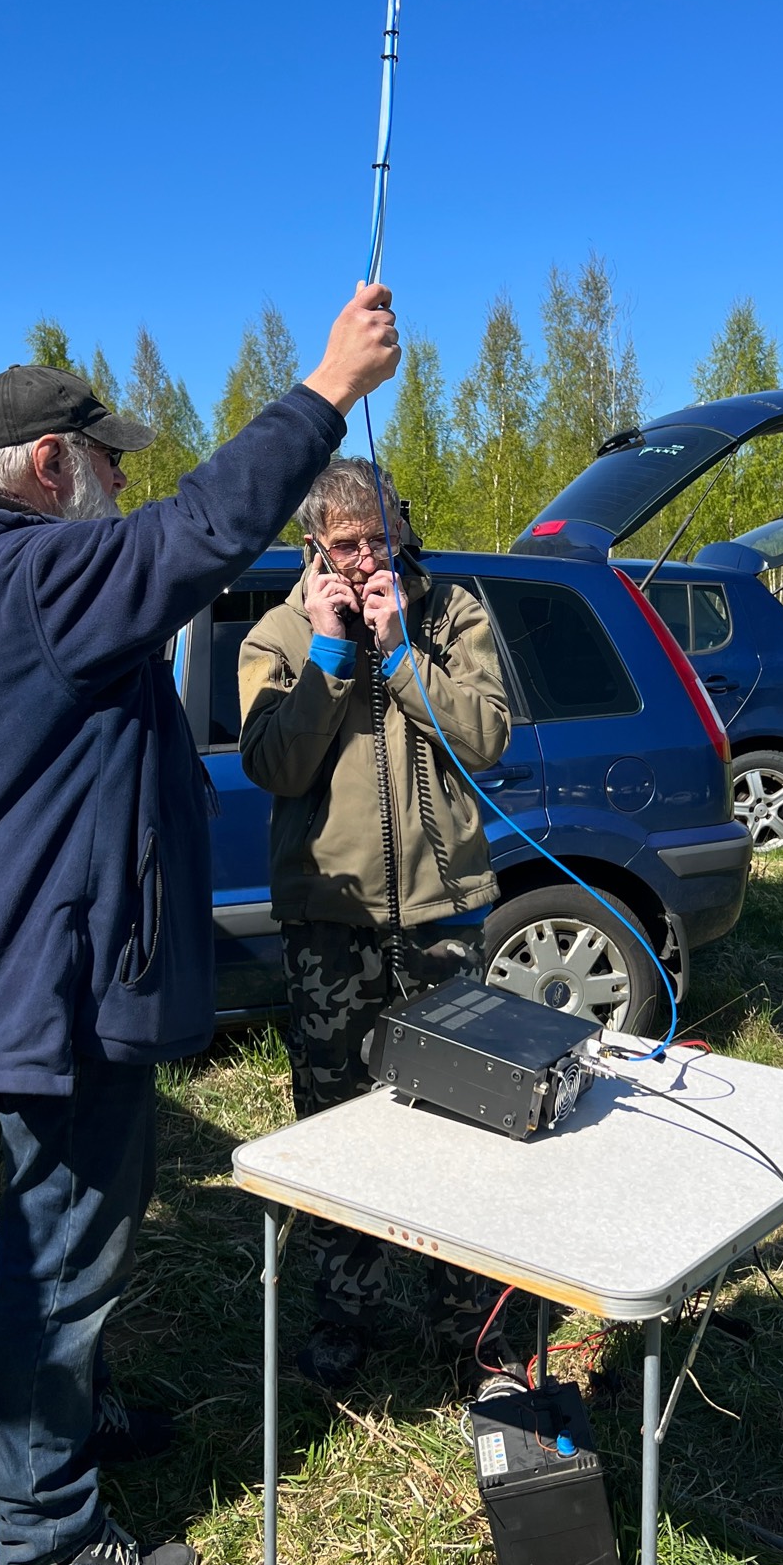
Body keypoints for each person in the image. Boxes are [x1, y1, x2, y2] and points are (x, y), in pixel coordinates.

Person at [0, 284, 400, 1565]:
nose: (116, 485)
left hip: (42, 975)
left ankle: (72, 1426)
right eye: (107, 463)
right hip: (56, 992)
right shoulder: (30, 573)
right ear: (54, 466)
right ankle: (44, 1549)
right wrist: (328, 384)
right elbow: (203, 532)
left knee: (62, 1229)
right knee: (59, 1253)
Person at [236, 457, 512, 1390]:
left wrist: (399, 654)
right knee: (333, 1124)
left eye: (376, 539)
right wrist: (327, 655)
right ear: (314, 548)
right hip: (330, 918)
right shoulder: (278, 630)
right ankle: (344, 1317)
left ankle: (464, 1323)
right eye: (342, 545)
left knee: (459, 1119)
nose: (361, 562)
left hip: (443, 914)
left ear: (401, 531)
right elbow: (273, 766)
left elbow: (487, 735)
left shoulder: (451, 614)